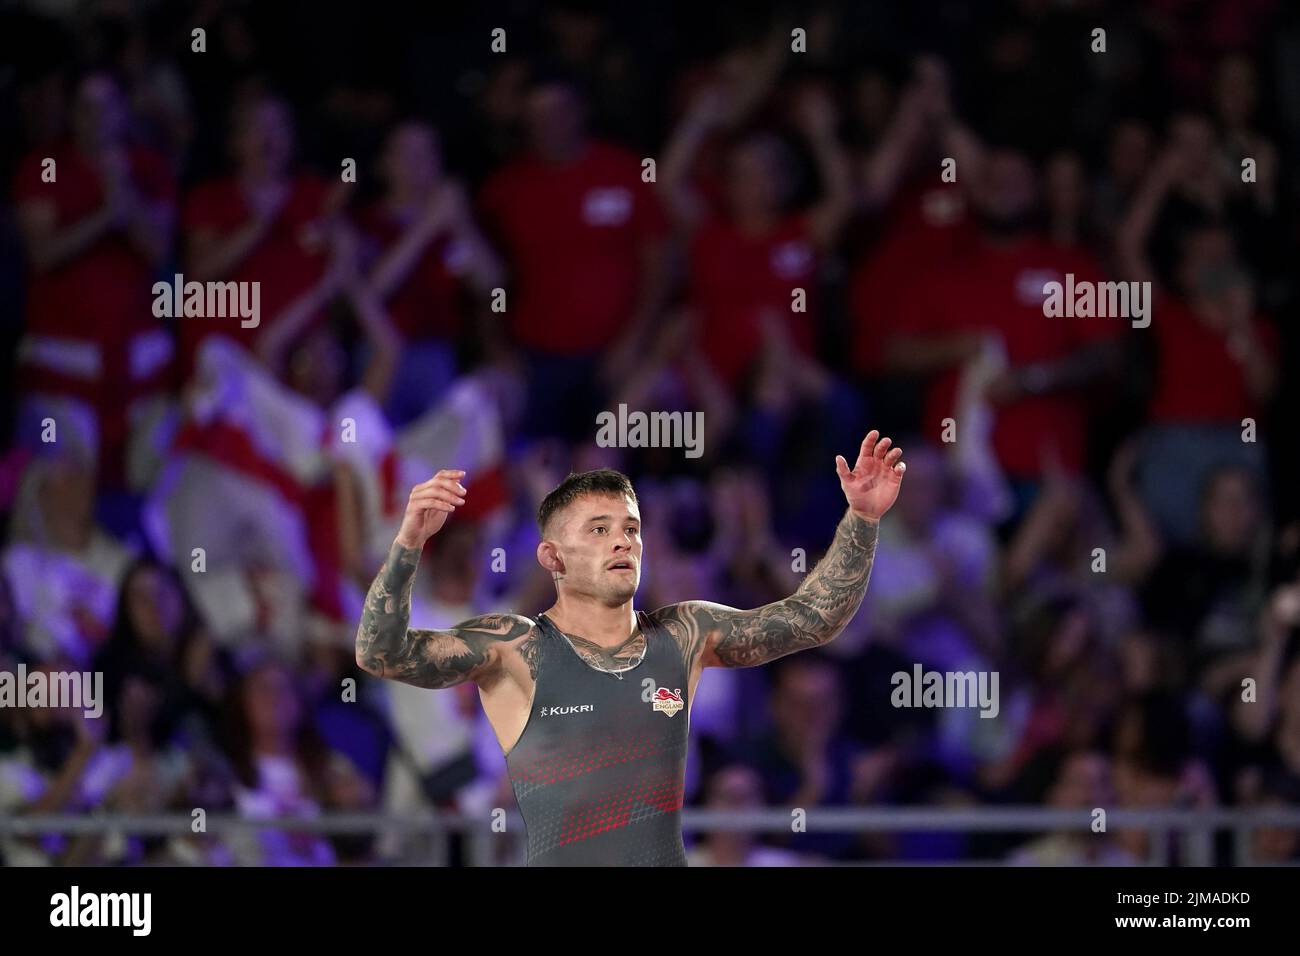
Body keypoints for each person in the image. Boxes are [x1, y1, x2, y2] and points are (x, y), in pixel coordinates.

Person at [355, 429, 906, 865]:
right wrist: (408, 544)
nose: (623, 540)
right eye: (599, 529)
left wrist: (861, 519)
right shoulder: (512, 646)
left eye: (631, 527)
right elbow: (379, 654)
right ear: (552, 558)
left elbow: (813, 619)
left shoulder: (684, 633)